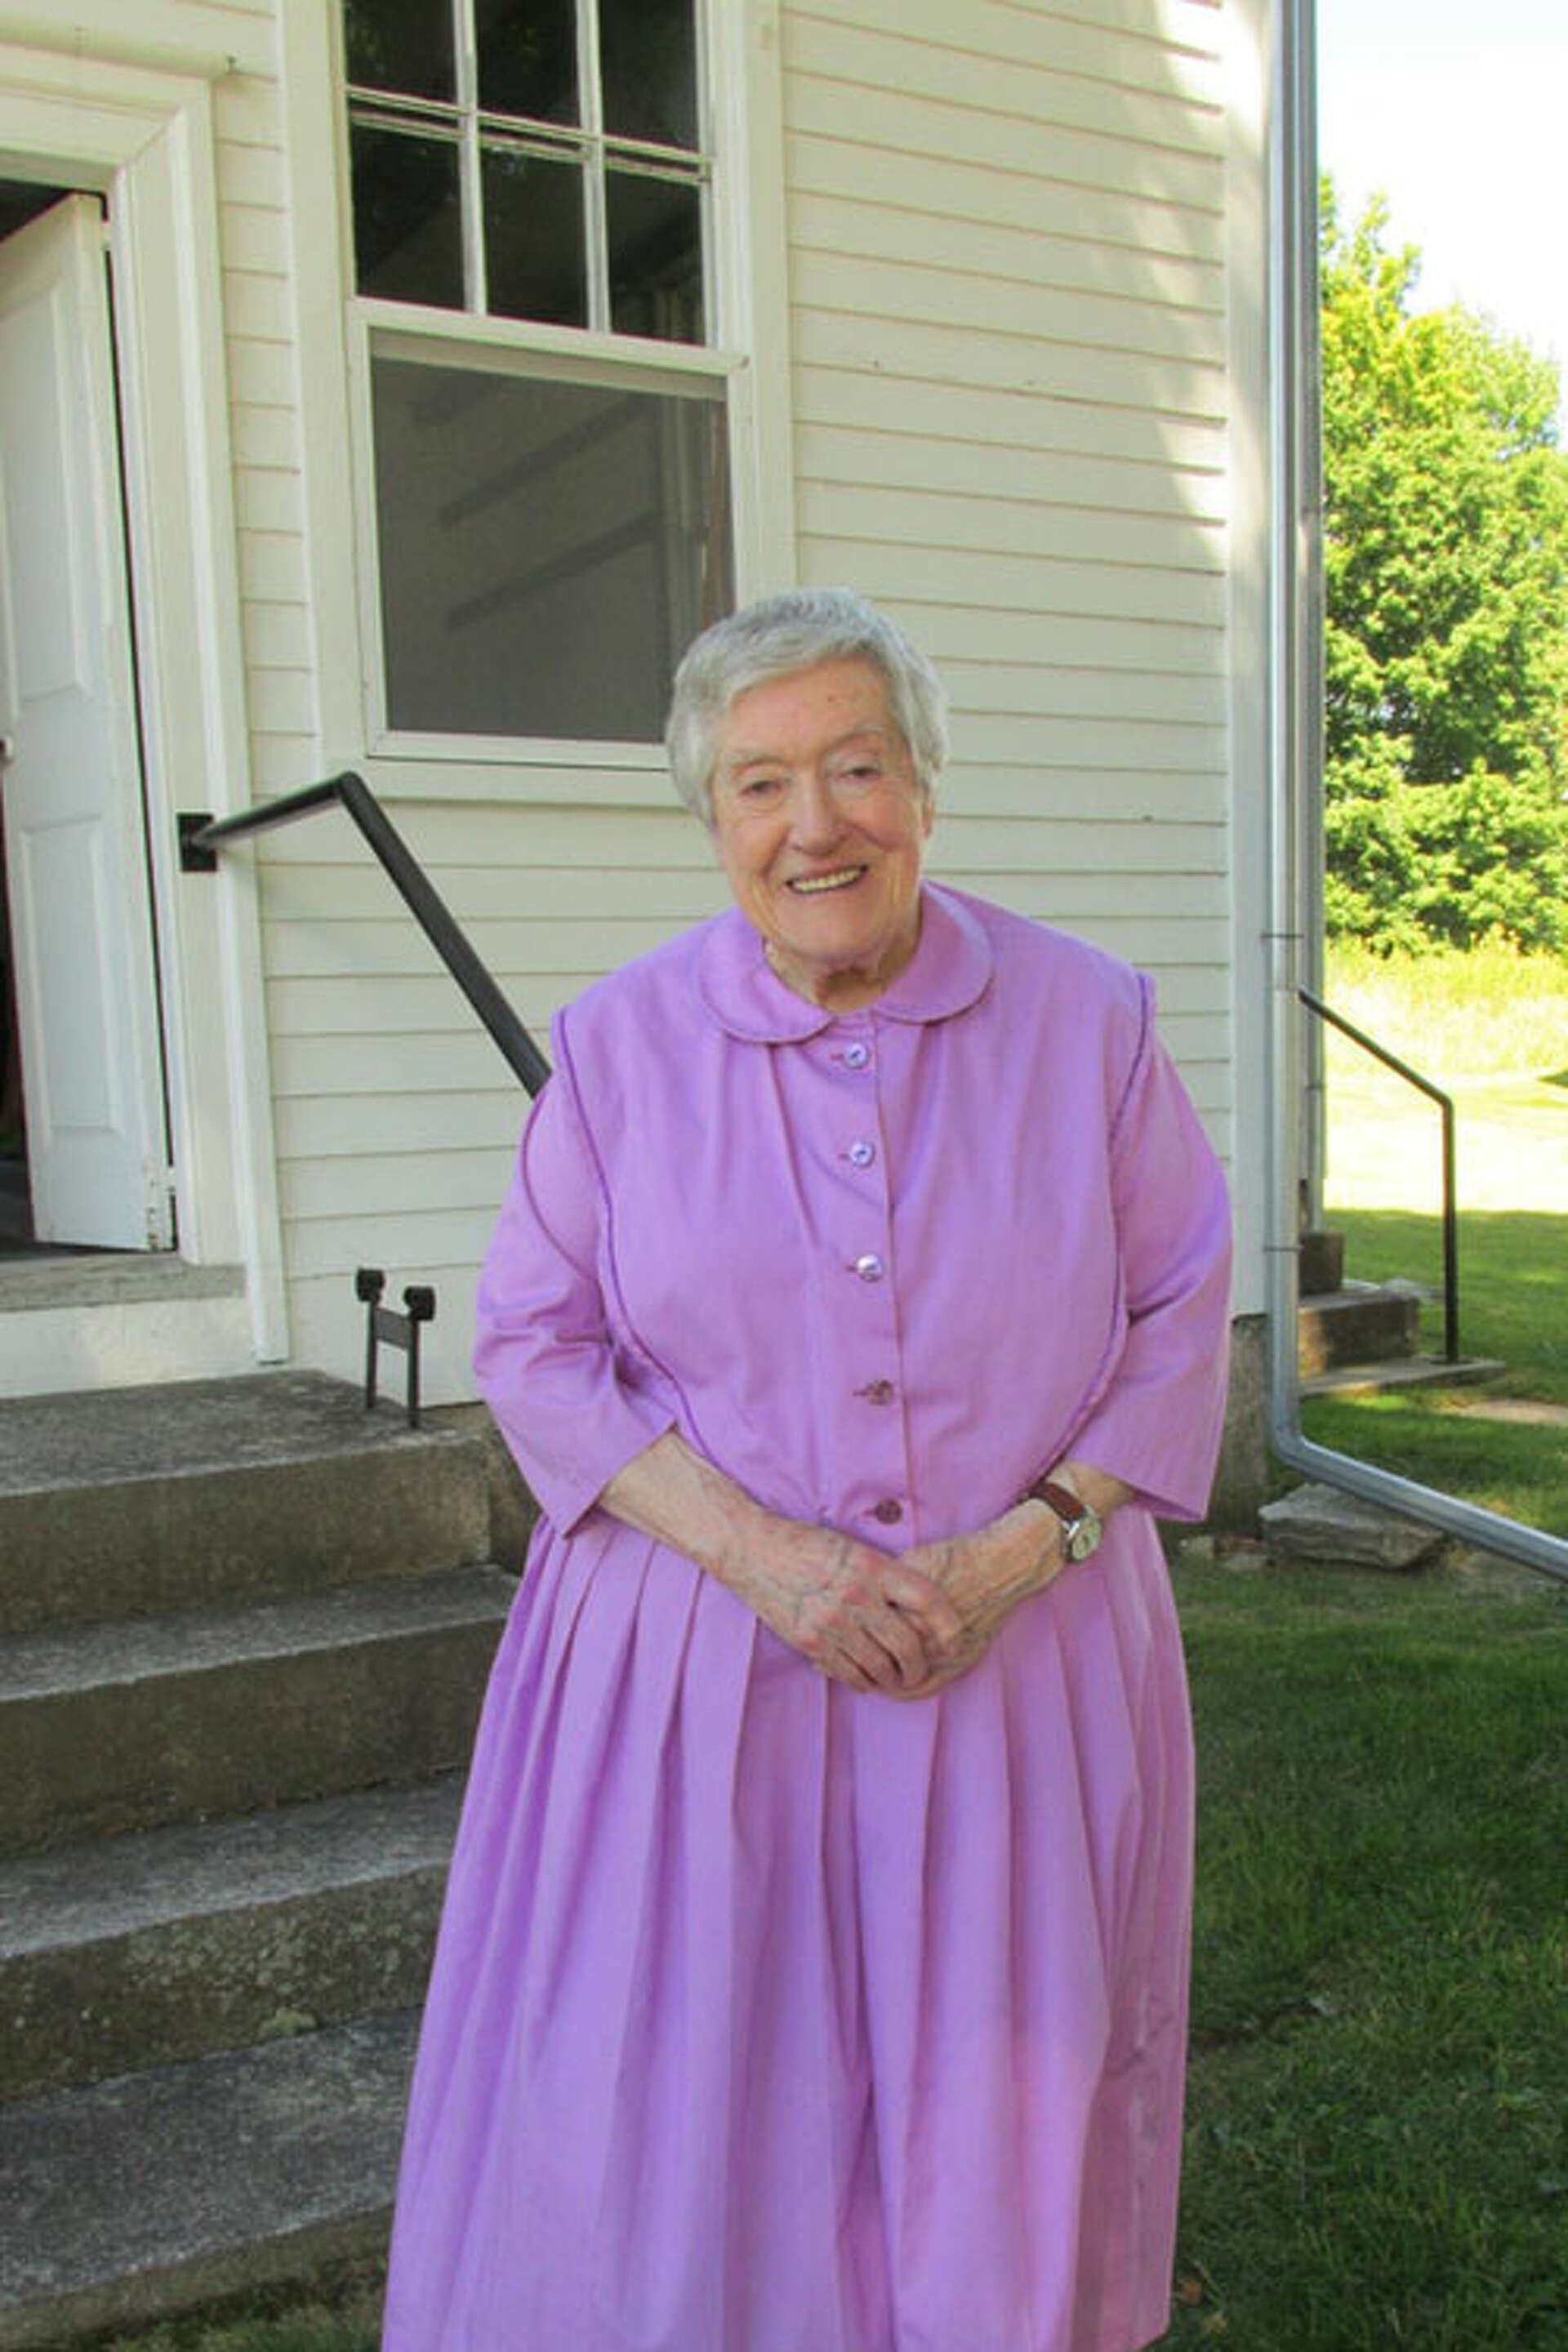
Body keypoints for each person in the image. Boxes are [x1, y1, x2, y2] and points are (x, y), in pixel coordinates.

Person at [381, 589, 1232, 2352]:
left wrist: (1023, 1549)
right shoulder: (615, 1050)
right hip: (695, 1665)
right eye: (763, 784)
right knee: (685, 2101)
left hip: (1027, 1659)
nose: (815, 822)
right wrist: (769, 1560)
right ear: (714, 820)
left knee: (997, 2105)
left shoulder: (1090, 1022)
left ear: (924, 786)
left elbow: (1179, 1310)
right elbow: (534, 1346)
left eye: (858, 767)